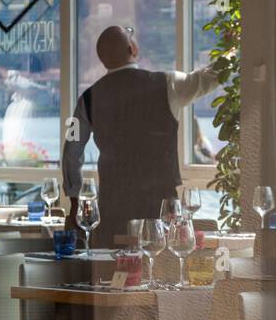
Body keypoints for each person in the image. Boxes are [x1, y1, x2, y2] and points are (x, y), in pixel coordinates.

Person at [62, 26, 221, 244]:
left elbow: (71, 150)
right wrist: (231, 54)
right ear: (132, 48)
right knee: (160, 268)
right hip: (160, 206)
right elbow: (206, 79)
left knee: (111, 270)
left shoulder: (87, 99)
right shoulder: (168, 84)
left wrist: (73, 203)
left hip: (112, 207)